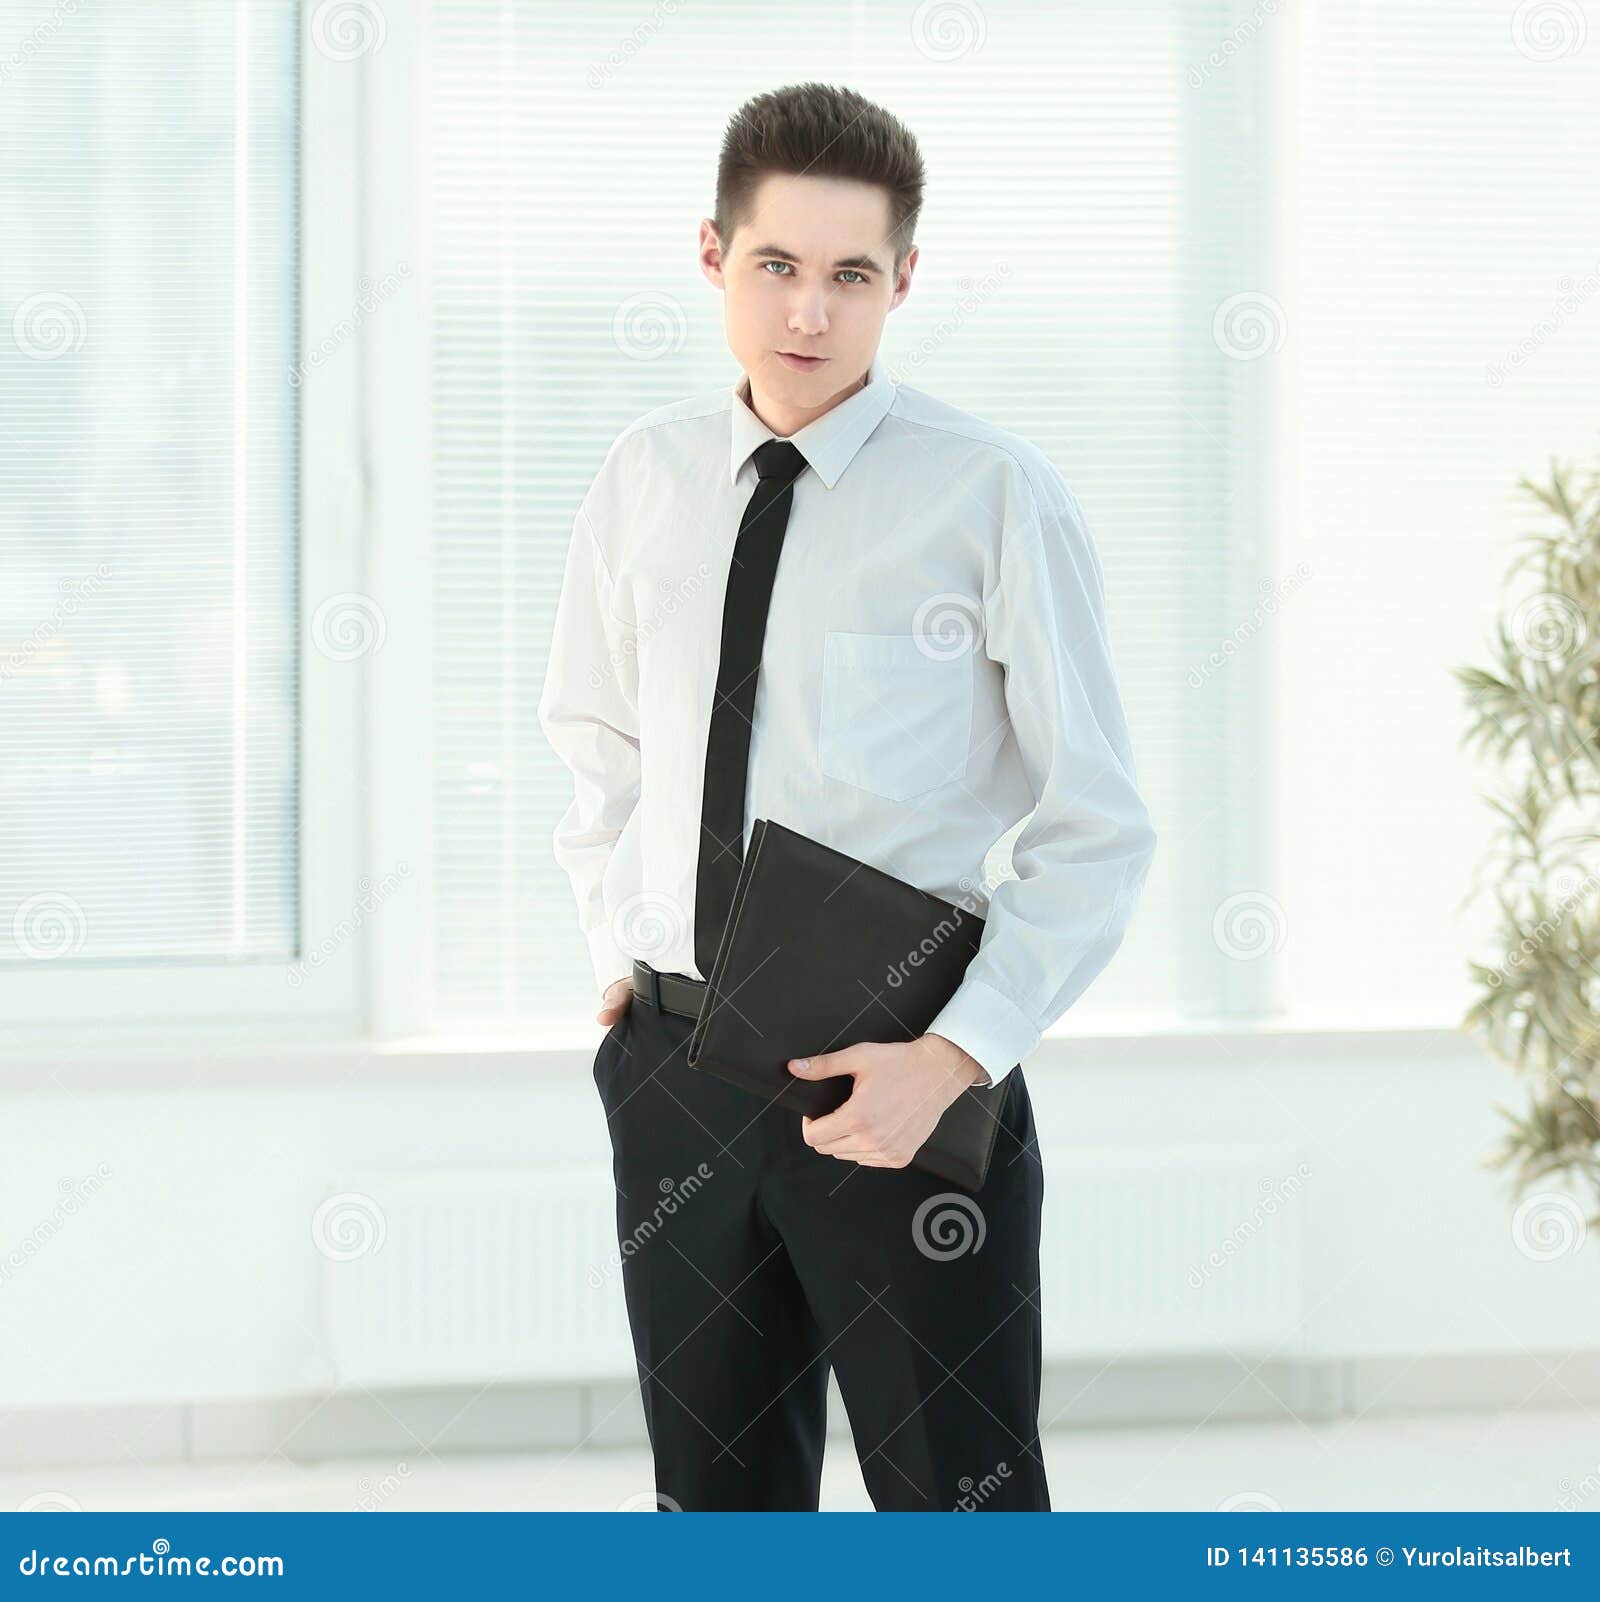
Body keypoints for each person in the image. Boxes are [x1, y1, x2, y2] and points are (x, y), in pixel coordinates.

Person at [536, 81, 1156, 1512]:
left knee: (963, 1509)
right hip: (678, 1075)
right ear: (712, 256)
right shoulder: (644, 481)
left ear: (904, 281)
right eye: (776, 267)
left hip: (897, 1081)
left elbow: (1097, 823)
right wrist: (615, 963)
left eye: (850, 276)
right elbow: (597, 740)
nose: (808, 312)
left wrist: (955, 1057)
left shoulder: (994, 495)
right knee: (716, 1502)